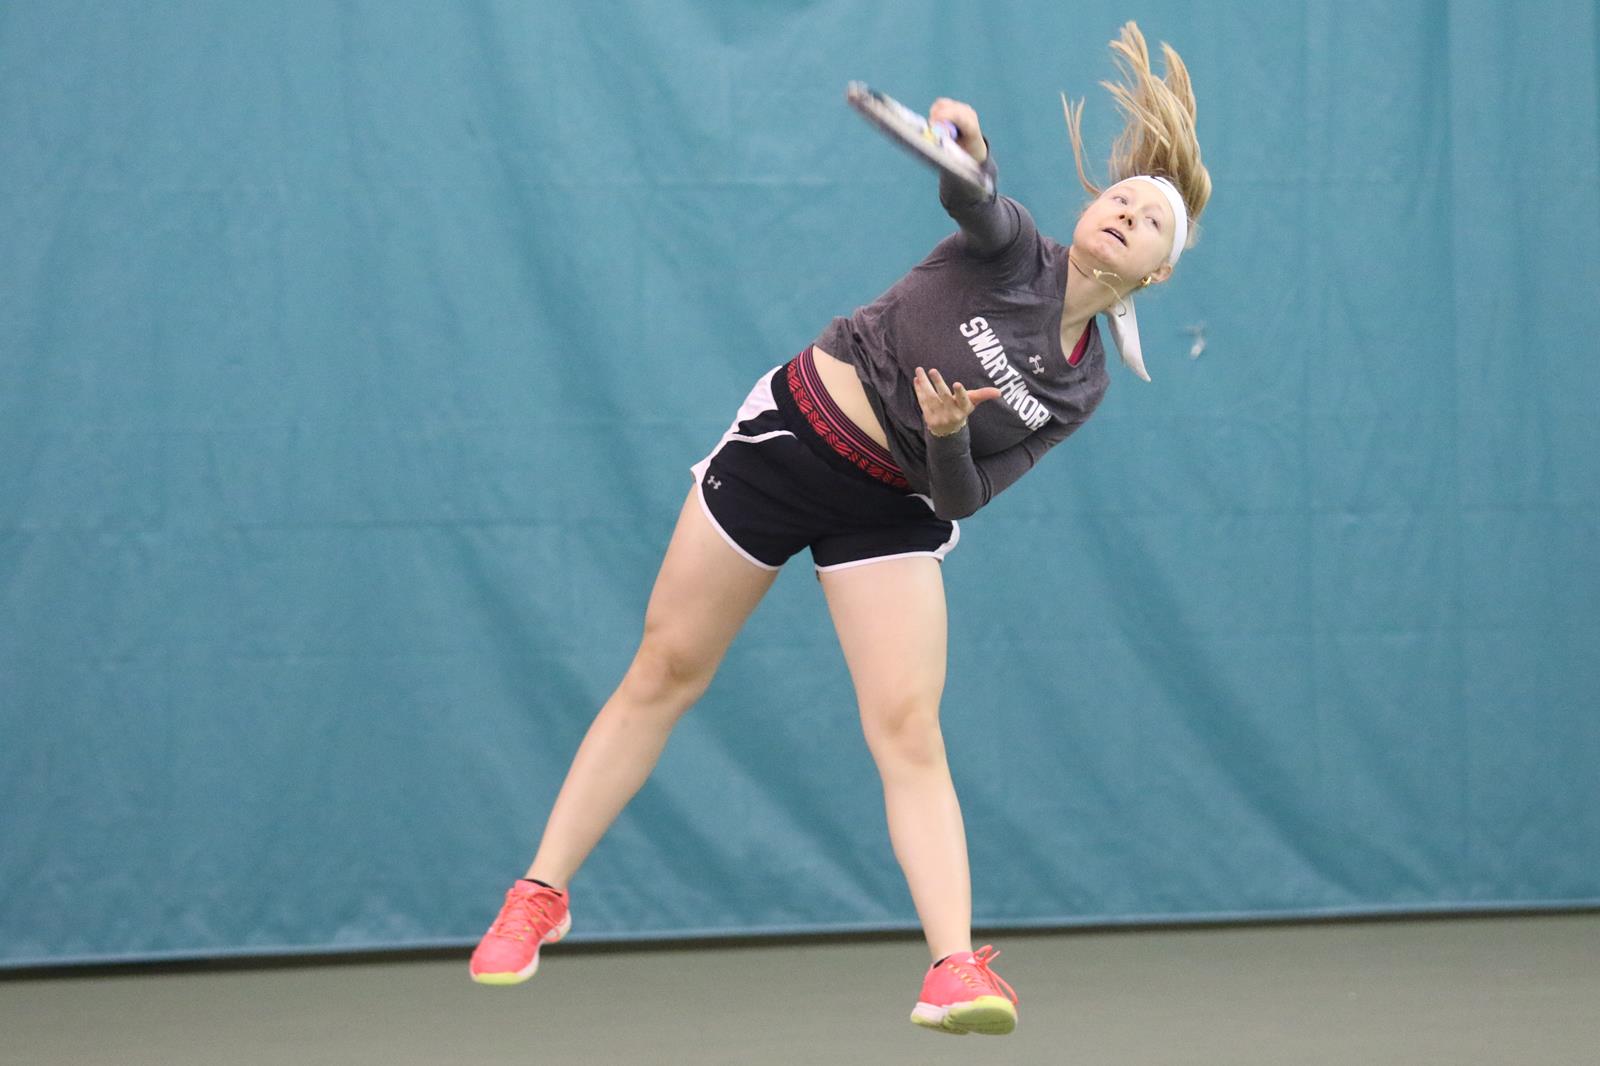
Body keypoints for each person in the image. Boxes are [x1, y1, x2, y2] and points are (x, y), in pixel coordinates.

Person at [468, 20, 1211, 1037]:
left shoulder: (1077, 386)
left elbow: (960, 500)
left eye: (1151, 221)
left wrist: (948, 436)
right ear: (1089, 210)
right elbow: (972, 200)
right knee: (667, 669)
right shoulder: (1015, 252)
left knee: (907, 730)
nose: (1127, 209)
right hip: (789, 442)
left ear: (1156, 275)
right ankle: (539, 894)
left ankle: (952, 969)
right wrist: (969, 155)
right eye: (1121, 196)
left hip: (894, 502)